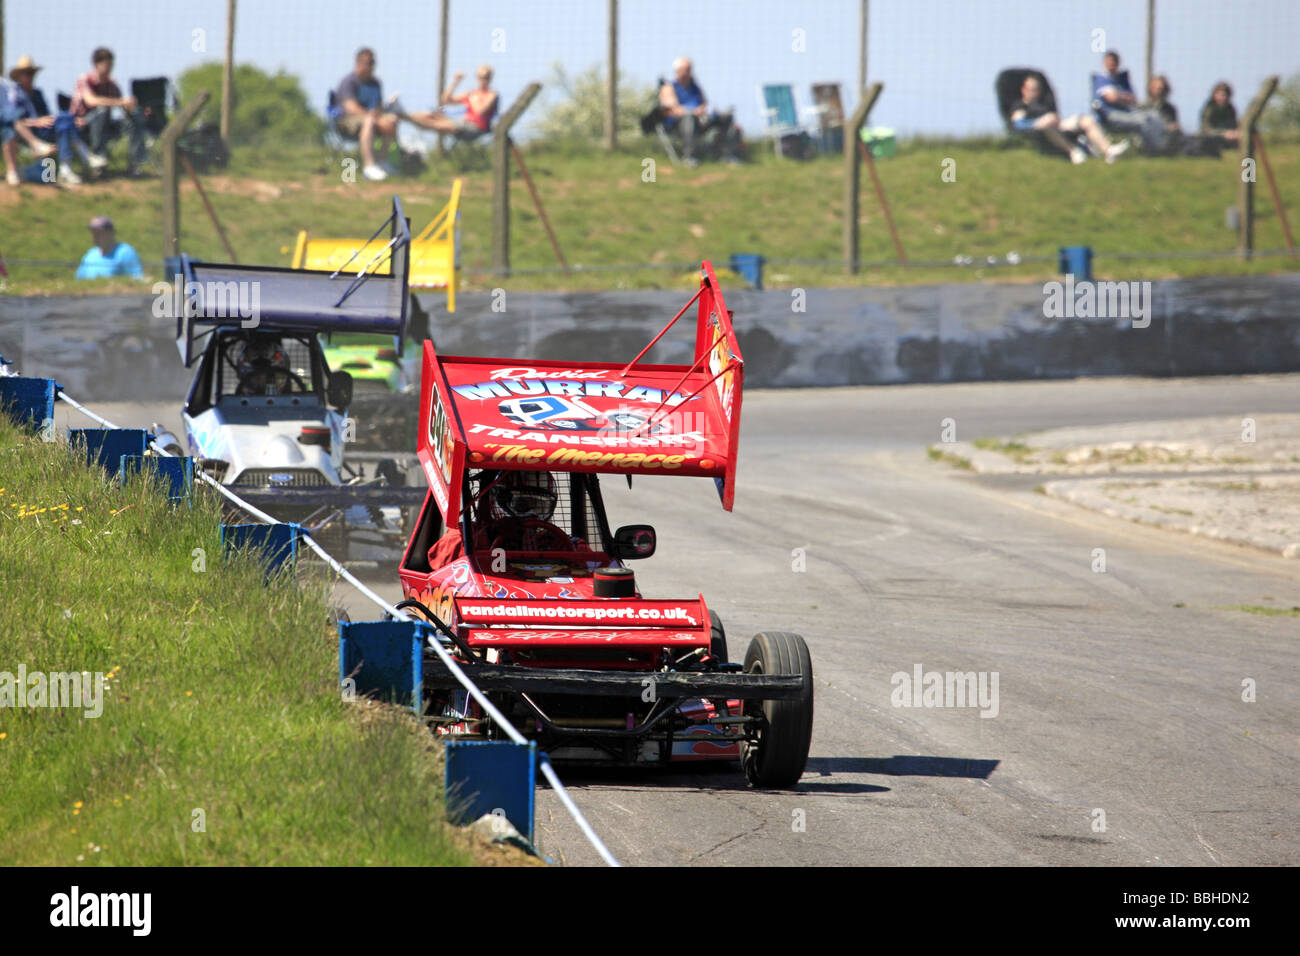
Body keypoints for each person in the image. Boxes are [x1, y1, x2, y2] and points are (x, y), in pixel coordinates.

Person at [6, 55, 89, 185]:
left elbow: (47, 116)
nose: (31, 77)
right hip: (27, 132)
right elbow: (14, 120)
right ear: (19, 76)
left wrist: (70, 121)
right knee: (48, 174)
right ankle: (84, 156)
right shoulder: (14, 94)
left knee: (65, 119)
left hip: (44, 132)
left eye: (32, 73)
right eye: (27, 73)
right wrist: (36, 122)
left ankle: (66, 169)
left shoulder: (37, 93)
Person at [1009, 75, 1127, 164]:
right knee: (1047, 125)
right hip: (1041, 128)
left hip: (1058, 124)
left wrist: (1052, 119)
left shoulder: (1043, 103)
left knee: (1086, 120)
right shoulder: (1020, 106)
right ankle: (1074, 151)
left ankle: (1108, 150)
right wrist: (1040, 121)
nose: (1033, 92)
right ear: (1023, 90)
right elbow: (1019, 124)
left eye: (1036, 89)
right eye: (1030, 89)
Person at [70, 47, 148, 176]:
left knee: (135, 117)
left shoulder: (111, 84)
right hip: (82, 126)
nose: (109, 68)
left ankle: (135, 164)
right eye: (106, 64)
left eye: (111, 65)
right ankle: (99, 160)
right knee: (102, 110)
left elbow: (123, 108)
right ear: (96, 64)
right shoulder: (85, 79)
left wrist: (133, 107)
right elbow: (91, 101)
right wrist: (120, 101)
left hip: (105, 126)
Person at [658, 57, 741, 165]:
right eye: (686, 69)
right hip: (679, 124)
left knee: (726, 116)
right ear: (677, 70)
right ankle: (690, 157)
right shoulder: (668, 87)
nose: (689, 72)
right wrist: (693, 112)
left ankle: (728, 155)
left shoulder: (695, 87)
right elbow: (672, 109)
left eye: (690, 69)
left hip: (700, 120)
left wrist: (703, 110)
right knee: (689, 117)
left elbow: (705, 103)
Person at [335, 47, 400, 181]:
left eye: (373, 62)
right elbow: (351, 108)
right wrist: (375, 119)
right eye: (368, 63)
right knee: (369, 121)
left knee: (392, 120)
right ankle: (369, 166)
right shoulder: (349, 82)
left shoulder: (376, 83)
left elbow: (378, 107)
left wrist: (382, 116)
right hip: (347, 121)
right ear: (358, 63)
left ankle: (382, 162)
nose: (371, 66)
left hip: (373, 119)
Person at [1091, 50, 1170, 153]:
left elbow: (1132, 98)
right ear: (1104, 63)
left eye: (1115, 62)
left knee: (1154, 115)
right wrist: (1123, 97)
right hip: (1111, 116)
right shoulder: (1102, 79)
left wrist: (1119, 96)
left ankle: (1163, 146)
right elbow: (1111, 98)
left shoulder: (1122, 80)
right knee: (1143, 121)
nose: (1112, 64)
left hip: (1128, 113)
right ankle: (1153, 150)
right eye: (1110, 62)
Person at [75, 216, 144, 280]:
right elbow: (79, 281)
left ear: (111, 233)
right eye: (93, 232)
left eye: (99, 232)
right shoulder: (90, 255)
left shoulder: (125, 252)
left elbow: (137, 279)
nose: (95, 236)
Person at [1200, 81, 1240, 146]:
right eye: (1221, 95)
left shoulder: (1230, 109)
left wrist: (1235, 132)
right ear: (1214, 95)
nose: (1223, 98)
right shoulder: (1209, 109)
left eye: (1225, 95)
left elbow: (1234, 124)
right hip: (1211, 138)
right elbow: (1206, 129)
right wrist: (1223, 133)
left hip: (1229, 137)